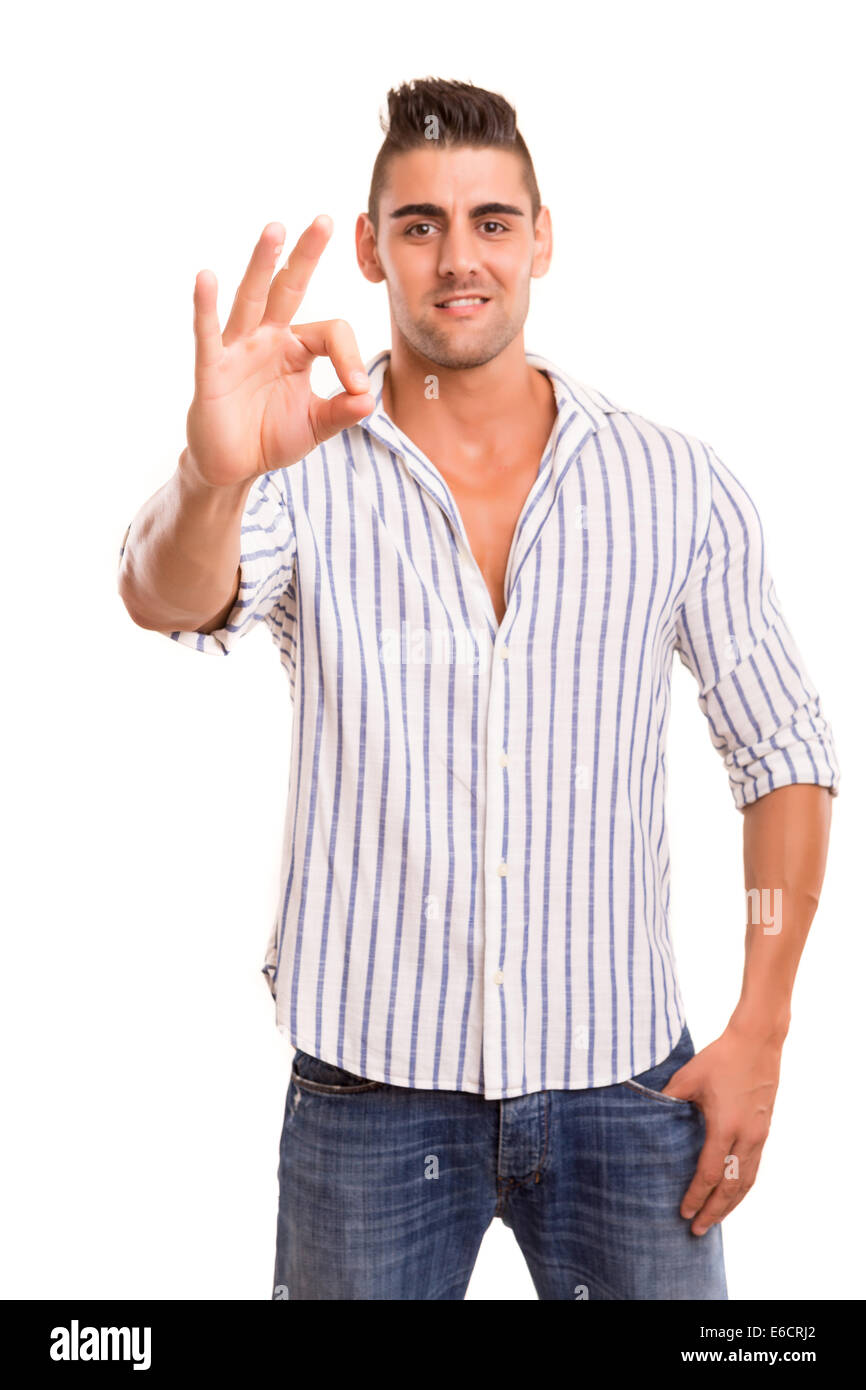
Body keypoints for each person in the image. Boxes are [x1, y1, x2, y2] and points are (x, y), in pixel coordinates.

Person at [117, 77, 840, 1301]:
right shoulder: (303, 469)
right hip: (370, 1099)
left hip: (627, 1092)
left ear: (541, 237)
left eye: (491, 221)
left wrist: (759, 1030)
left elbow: (782, 749)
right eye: (420, 224)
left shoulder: (670, 483)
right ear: (370, 247)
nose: (459, 258)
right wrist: (209, 472)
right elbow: (166, 594)